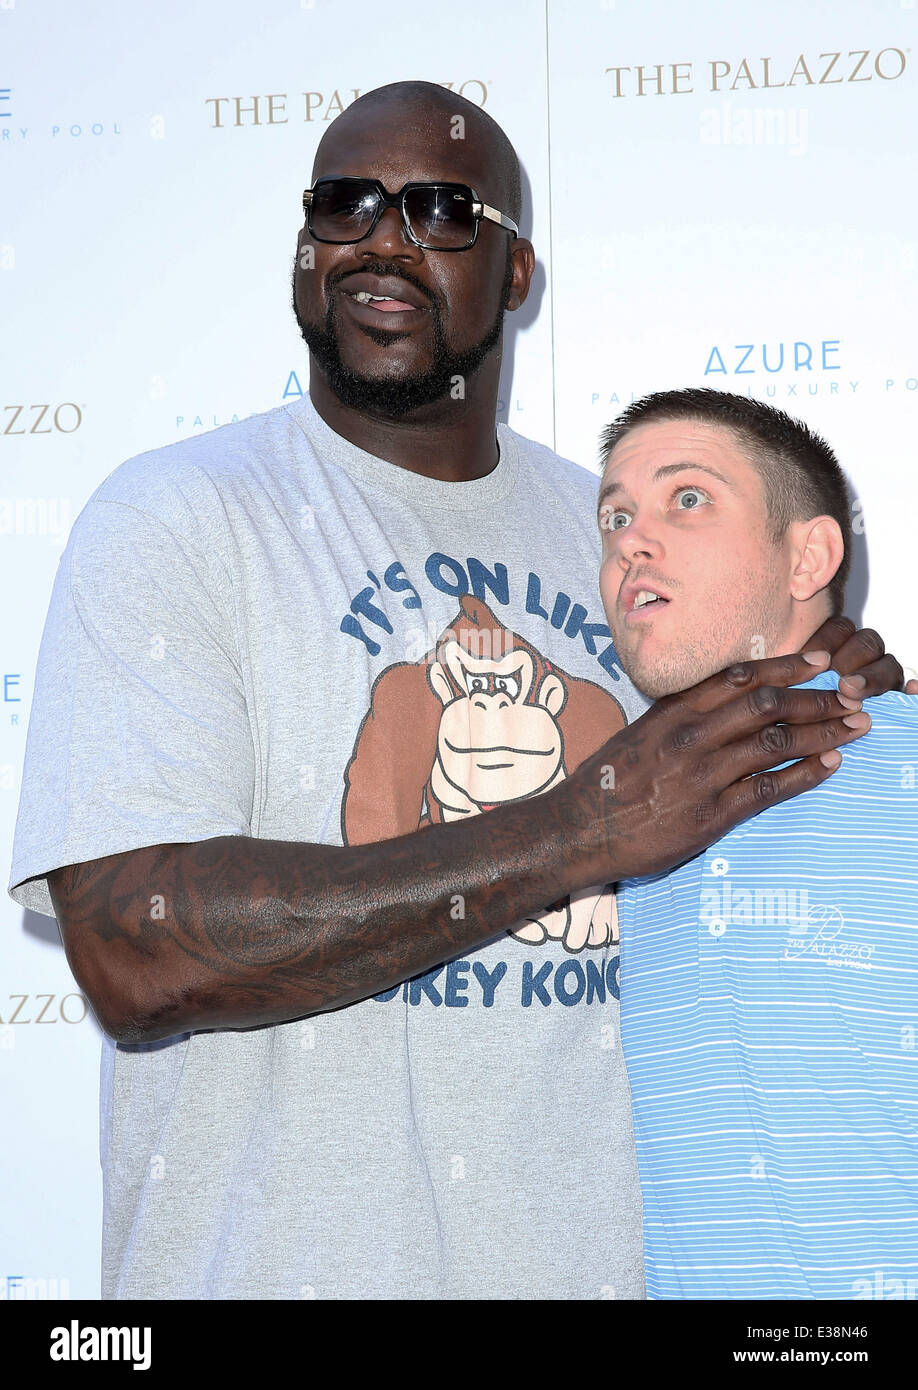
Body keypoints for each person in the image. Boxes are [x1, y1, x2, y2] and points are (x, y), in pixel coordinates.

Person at [6, 83, 904, 1301]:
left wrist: (826, 665)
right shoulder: (176, 515)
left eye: (438, 209)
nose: (382, 237)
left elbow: (740, 756)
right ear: (302, 251)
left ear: (519, 271)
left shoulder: (615, 539)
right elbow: (133, 951)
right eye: (344, 205)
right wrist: (577, 829)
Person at [597, 387, 918, 1300]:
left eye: (686, 498)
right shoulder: (597, 810)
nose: (629, 538)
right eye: (613, 515)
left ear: (809, 554)